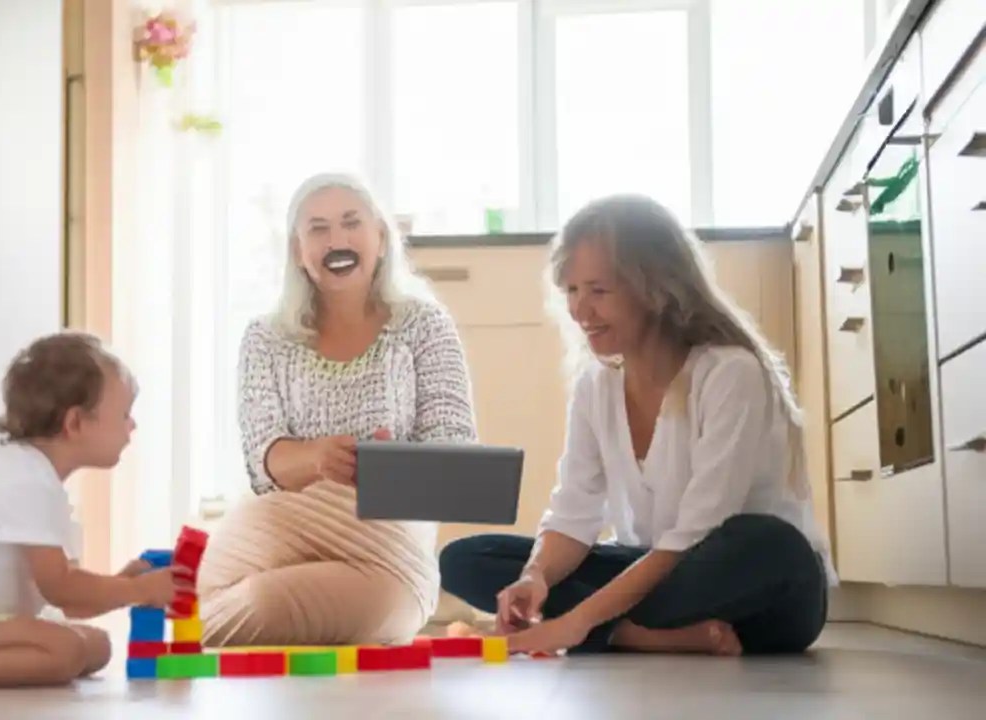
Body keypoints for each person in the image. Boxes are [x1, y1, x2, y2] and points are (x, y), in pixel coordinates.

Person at [439, 194, 836, 656]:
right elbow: (575, 510)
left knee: (772, 546)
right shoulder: (596, 386)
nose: (580, 310)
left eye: (599, 290)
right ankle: (644, 636)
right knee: (465, 559)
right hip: (658, 572)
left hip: (752, 587)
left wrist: (571, 624)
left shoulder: (730, 374)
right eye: (570, 290)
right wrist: (535, 577)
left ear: (657, 289)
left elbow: (694, 536)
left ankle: (606, 630)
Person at [197, 172, 476, 646]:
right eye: (318, 229)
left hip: (383, 540)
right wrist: (317, 457)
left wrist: (396, 468)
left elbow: (456, 453)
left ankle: (297, 614)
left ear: (381, 239)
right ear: (298, 251)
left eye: (351, 223)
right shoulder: (265, 337)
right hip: (284, 521)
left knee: (261, 607)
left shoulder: (424, 325)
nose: (337, 240)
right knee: (208, 589)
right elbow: (262, 460)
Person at [0, 332, 189, 688]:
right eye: (124, 414)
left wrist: (124, 582)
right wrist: (139, 591)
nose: (132, 426)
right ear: (75, 423)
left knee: (98, 646)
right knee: (67, 651)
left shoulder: (35, 478)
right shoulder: (27, 481)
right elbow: (62, 590)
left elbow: (74, 603)